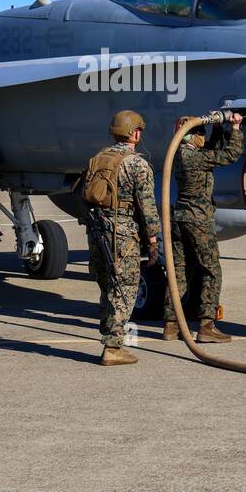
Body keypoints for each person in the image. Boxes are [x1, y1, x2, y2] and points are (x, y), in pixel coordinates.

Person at [80, 110, 161, 366]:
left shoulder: (98, 158)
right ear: (134, 133)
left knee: (107, 286)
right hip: (122, 233)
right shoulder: (137, 164)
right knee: (124, 287)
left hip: (97, 230)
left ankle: (108, 337)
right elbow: (147, 207)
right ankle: (113, 347)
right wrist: (153, 239)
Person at [163, 112, 245, 342]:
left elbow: (211, 151)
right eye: (200, 133)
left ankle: (171, 324)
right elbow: (230, 155)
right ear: (190, 137)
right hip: (197, 219)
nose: (203, 136)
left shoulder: (181, 155)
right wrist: (236, 129)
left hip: (179, 219)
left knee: (179, 272)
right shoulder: (195, 158)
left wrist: (218, 128)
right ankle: (207, 325)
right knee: (211, 270)